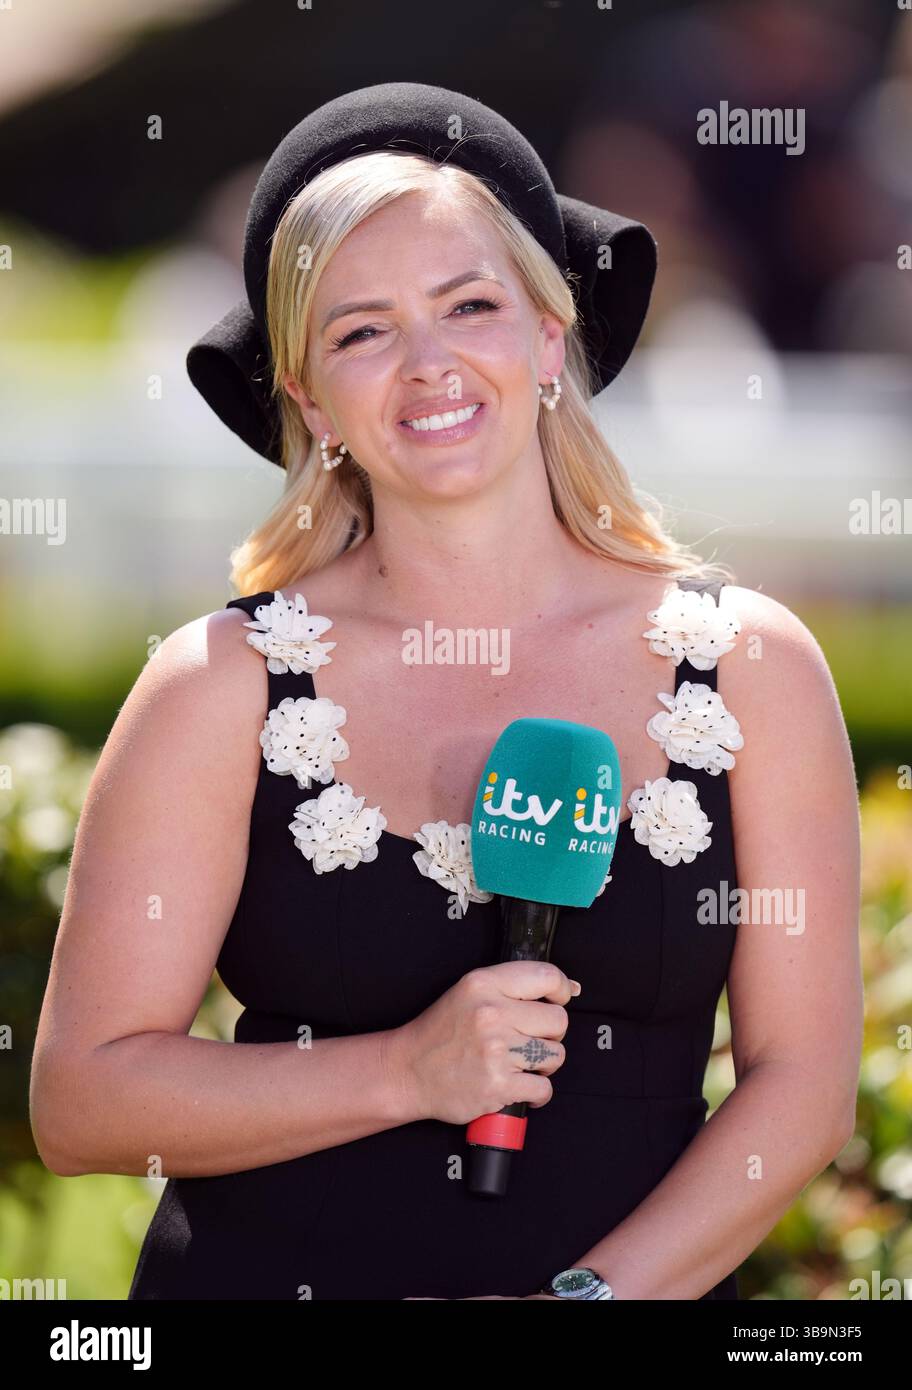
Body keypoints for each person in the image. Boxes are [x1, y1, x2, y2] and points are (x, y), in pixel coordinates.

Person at [29, 83, 862, 1301]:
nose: (429, 366)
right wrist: (408, 1072)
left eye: (469, 304)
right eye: (361, 331)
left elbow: (803, 1087)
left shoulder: (753, 667)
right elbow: (83, 1102)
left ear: (545, 336)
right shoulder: (218, 687)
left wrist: (585, 1303)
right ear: (307, 397)